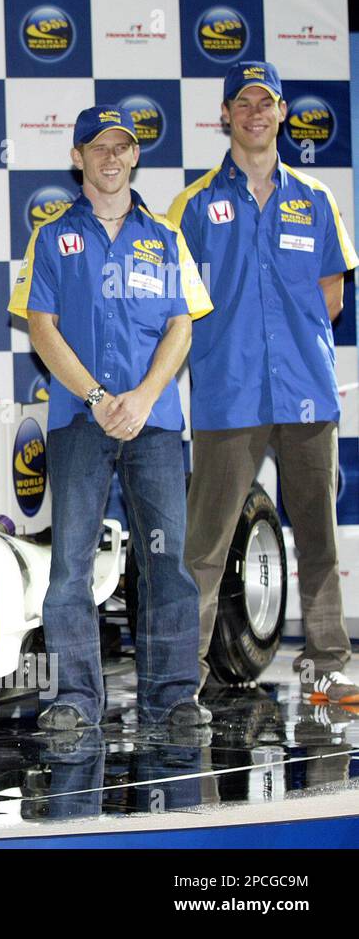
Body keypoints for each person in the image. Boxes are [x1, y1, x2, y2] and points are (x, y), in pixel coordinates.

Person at [9, 106, 214, 731]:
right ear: (78, 158)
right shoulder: (52, 236)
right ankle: (74, 699)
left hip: (153, 421)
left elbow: (182, 323)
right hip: (79, 420)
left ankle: (175, 697)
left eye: (122, 146)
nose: (112, 157)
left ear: (134, 156)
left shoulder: (165, 235)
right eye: (98, 147)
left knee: (166, 563)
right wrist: (100, 398)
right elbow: (41, 329)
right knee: (70, 562)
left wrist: (146, 395)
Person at [169, 62, 359, 701]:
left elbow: (332, 295)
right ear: (224, 115)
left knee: (318, 535)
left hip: (307, 389)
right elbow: (180, 304)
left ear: (281, 113)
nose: (254, 113)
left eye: (266, 102)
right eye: (242, 103)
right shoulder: (193, 207)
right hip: (229, 392)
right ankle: (184, 678)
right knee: (205, 547)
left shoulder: (316, 199)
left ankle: (328, 662)